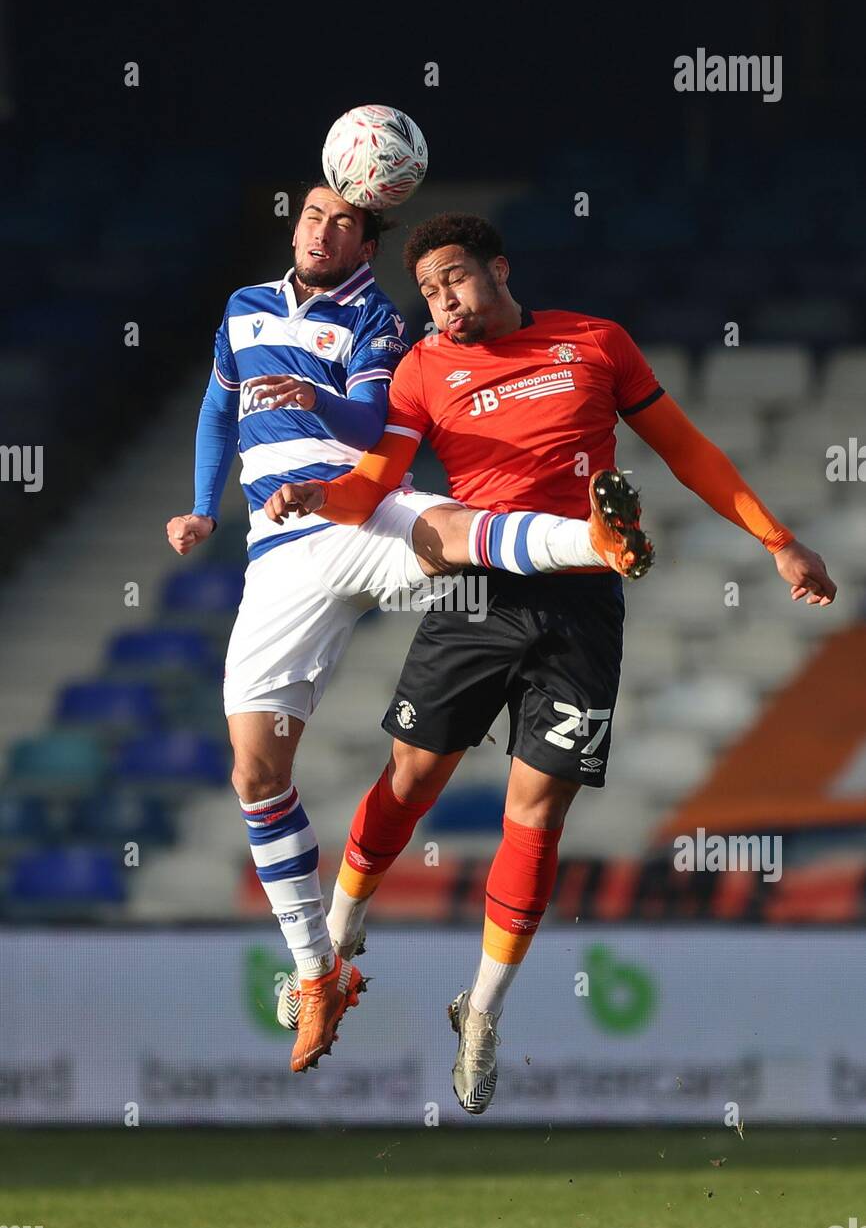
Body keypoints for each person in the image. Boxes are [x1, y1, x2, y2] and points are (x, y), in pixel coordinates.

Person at [257, 211, 836, 1112]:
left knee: (539, 809)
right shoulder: (420, 371)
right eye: (430, 291)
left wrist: (777, 540)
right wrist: (318, 492)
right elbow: (378, 485)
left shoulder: (595, 343)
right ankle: (333, 945)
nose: (444, 301)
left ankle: (480, 1011)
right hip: (472, 591)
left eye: (456, 278)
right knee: (411, 781)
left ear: (499, 269)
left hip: (580, 608)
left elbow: (686, 451)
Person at [166, 187, 647, 1075]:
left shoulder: (384, 322)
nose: (324, 228)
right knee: (253, 770)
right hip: (277, 552)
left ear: (366, 239)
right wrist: (201, 508)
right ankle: (318, 970)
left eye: (345, 221)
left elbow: (366, 423)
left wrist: (309, 394)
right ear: (295, 221)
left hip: (358, 516)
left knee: (455, 528)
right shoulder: (243, 310)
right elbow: (215, 409)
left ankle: (600, 540)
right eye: (314, 213)